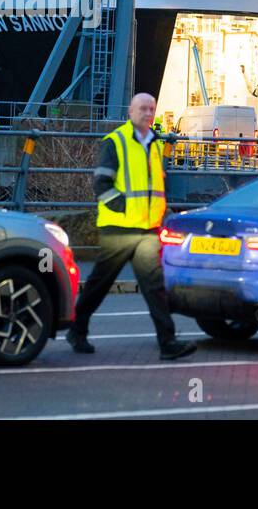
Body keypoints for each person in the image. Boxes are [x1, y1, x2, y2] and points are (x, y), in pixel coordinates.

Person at [67, 92, 197, 360]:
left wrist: (159, 215)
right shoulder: (116, 141)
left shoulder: (155, 144)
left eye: (151, 109)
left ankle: (168, 342)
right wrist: (125, 208)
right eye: (142, 109)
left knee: (154, 287)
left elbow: (155, 186)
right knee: (100, 284)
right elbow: (101, 183)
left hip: (147, 230)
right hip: (119, 229)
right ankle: (77, 330)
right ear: (130, 111)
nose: (148, 113)